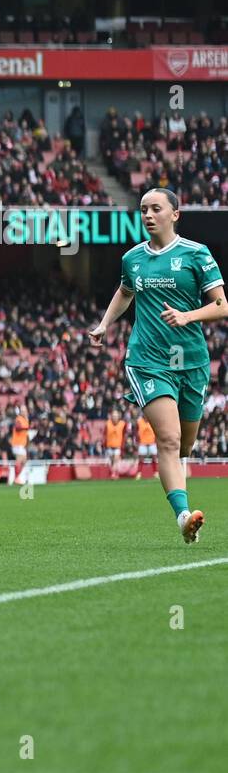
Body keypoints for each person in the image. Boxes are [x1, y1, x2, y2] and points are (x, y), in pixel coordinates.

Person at [88, 187, 227, 543]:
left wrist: (187, 316)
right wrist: (105, 324)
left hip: (191, 362)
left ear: (175, 214)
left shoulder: (196, 254)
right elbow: (125, 292)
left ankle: (181, 500)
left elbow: (222, 305)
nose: (148, 215)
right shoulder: (132, 258)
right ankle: (183, 517)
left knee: (184, 446)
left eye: (156, 209)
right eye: (143, 210)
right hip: (147, 361)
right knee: (168, 438)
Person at [104, 408, 127, 479]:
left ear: (118, 416)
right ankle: (115, 473)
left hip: (118, 445)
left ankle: (113, 474)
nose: (115, 417)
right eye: (113, 416)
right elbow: (104, 434)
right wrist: (104, 443)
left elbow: (124, 434)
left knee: (115, 460)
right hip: (109, 445)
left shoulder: (122, 424)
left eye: (116, 416)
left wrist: (123, 444)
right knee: (111, 461)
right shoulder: (107, 423)